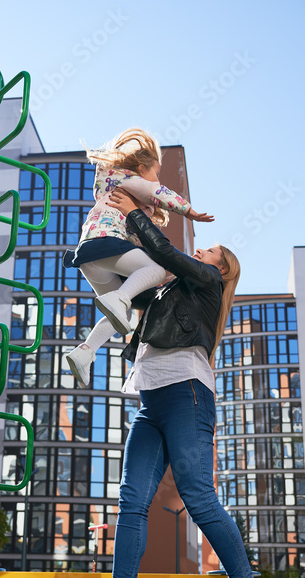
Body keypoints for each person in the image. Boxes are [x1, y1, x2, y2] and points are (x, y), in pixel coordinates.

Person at [83, 188, 273, 578]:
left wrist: (134, 213)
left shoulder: (206, 279)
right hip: (152, 399)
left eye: (210, 249)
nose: (201, 250)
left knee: (198, 498)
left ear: (221, 267)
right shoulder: (169, 286)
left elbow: (164, 249)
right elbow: (134, 279)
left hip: (187, 392)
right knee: (131, 500)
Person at [62, 128, 213, 388]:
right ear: (142, 169)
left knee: (121, 313)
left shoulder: (113, 190)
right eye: (155, 173)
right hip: (104, 244)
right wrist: (189, 212)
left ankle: (85, 352)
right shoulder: (129, 180)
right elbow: (158, 192)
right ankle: (118, 299)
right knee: (154, 271)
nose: (156, 179)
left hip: (89, 257)